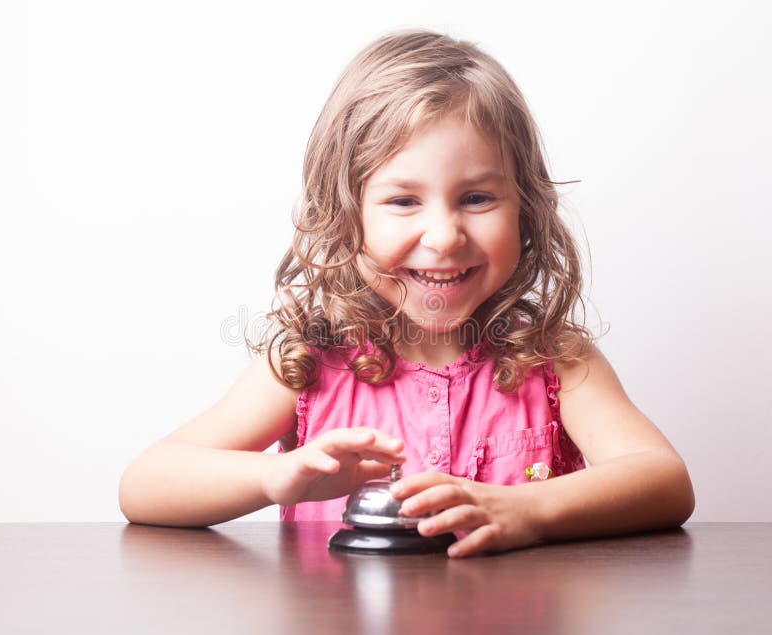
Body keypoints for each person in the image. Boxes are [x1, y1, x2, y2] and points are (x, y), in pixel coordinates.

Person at [118, 29, 695, 558]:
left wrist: (528, 510)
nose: (444, 237)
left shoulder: (555, 361)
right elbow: (145, 485)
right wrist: (275, 477)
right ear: (347, 218)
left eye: (476, 198)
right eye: (402, 201)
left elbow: (665, 481)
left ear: (525, 209)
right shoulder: (308, 363)